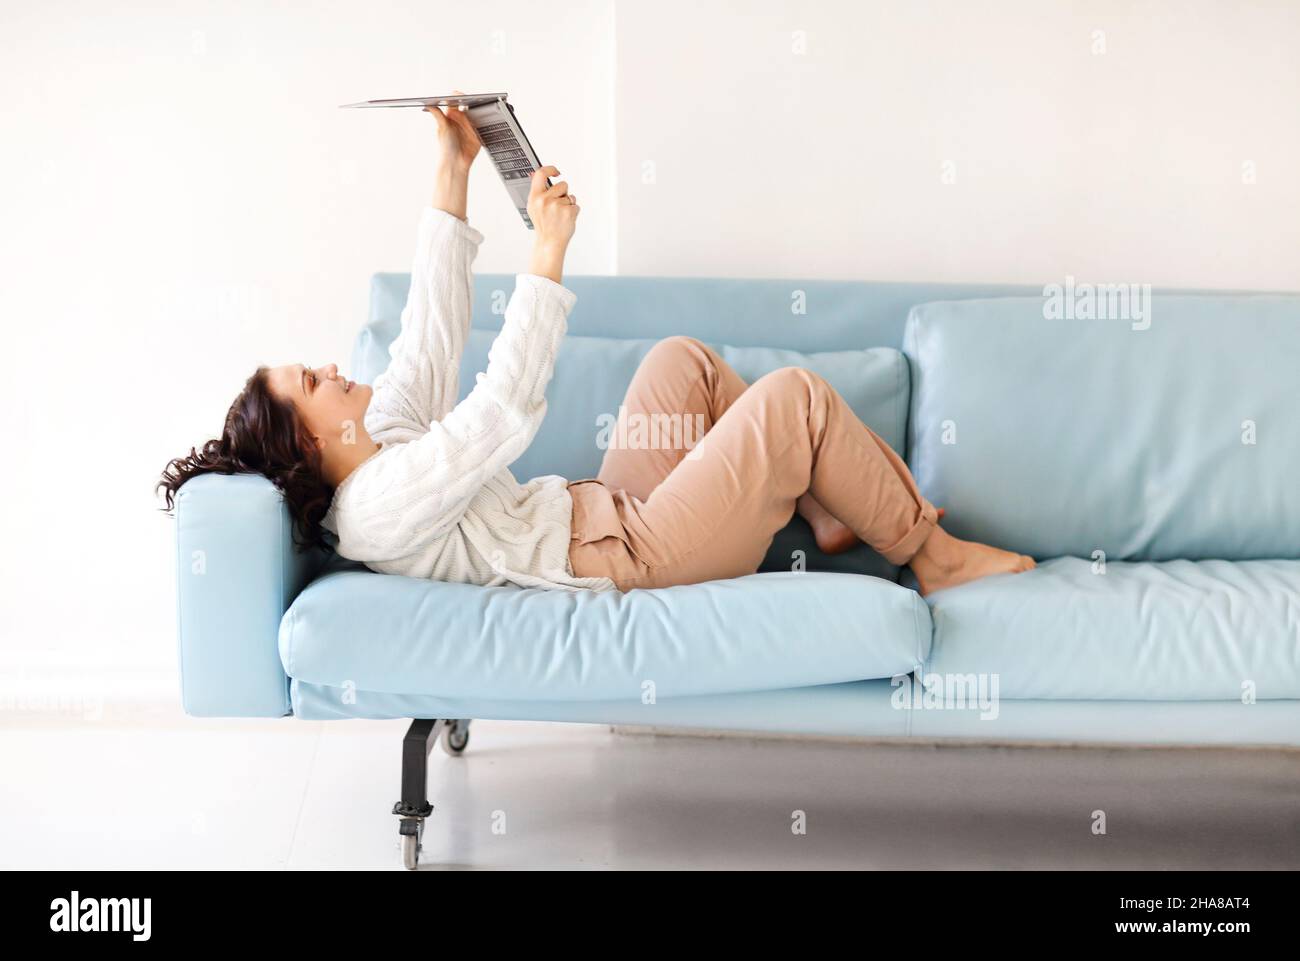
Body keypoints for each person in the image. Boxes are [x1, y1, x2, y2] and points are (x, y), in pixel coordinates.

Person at [158, 97, 1034, 596]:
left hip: (606, 509)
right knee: (795, 399)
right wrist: (547, 254)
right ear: (309, 436)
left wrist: (454, 166)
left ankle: (832, 507)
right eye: (313, 379)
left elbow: (429, 332)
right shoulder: (378, 504)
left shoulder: (381, 443)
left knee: (680, 363)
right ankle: (932, 556)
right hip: (632, 554)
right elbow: (498, 414)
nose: (336, 368)